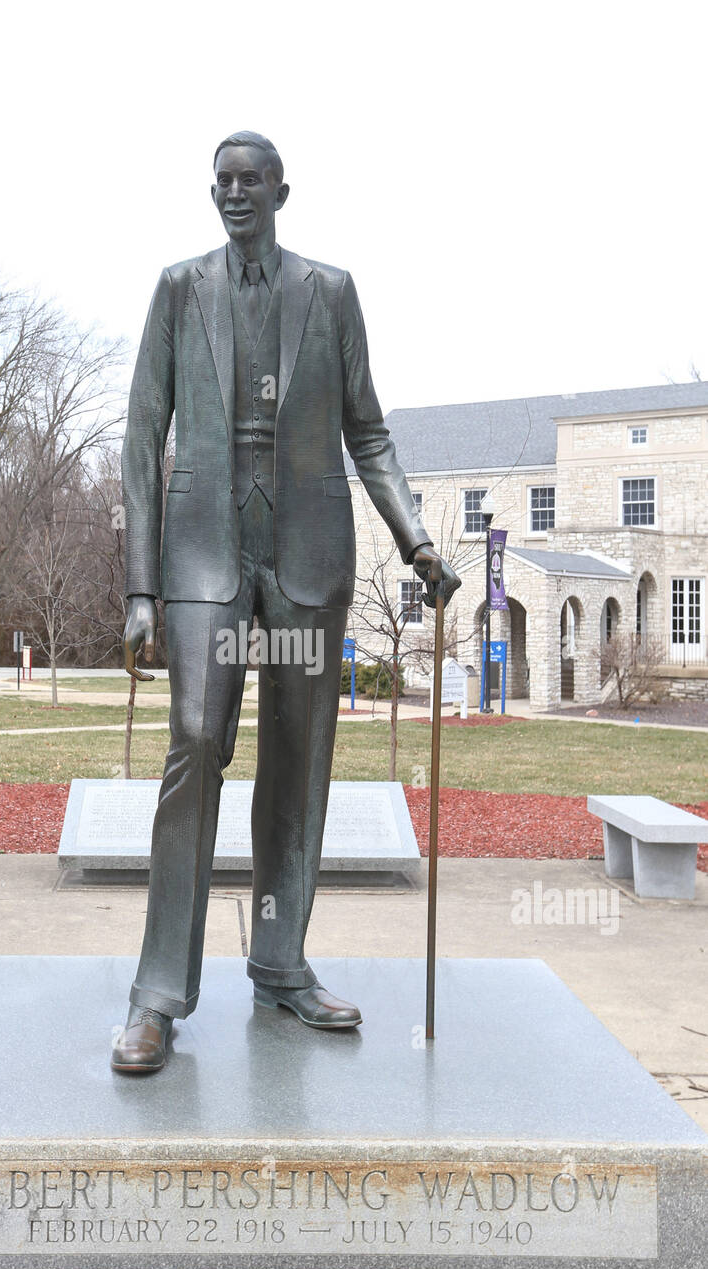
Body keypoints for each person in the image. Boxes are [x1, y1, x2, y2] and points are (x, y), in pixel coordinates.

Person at [115, 131, 459, 1072]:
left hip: (308, 551)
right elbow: (143, 436)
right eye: (220, 182)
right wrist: (141, 585)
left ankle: (280, 961)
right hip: (201, 552)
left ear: (281, 191)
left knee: (300, 761)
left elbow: (370, 433)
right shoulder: (181, 289)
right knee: (194, 739)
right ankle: (156, 994)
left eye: (249, 182)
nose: (233, 194)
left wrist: (416, 540)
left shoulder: (331, 292)